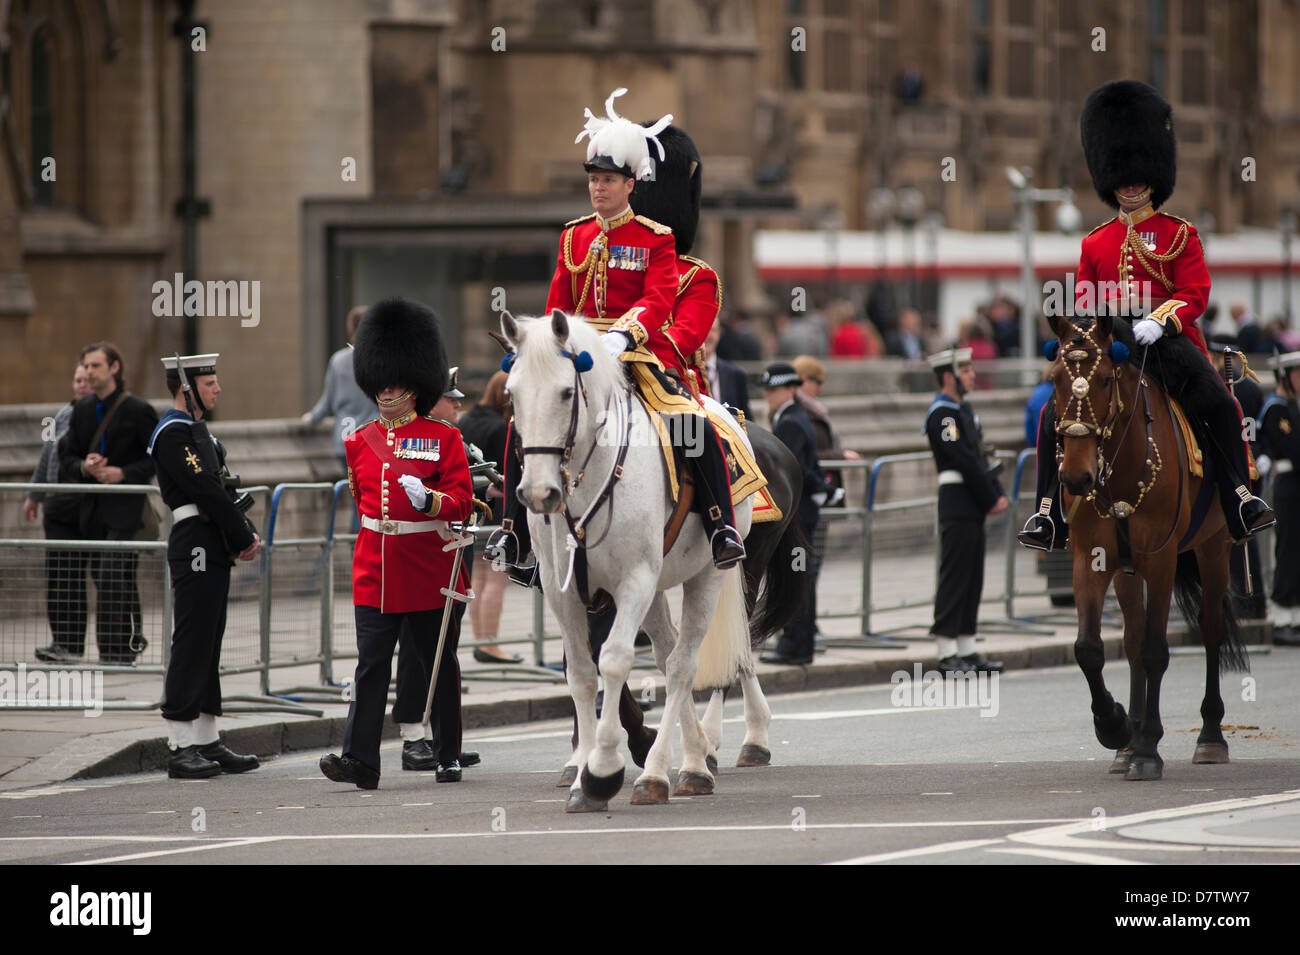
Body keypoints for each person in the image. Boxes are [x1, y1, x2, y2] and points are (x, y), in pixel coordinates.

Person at [486, 93, 745, 576]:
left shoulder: (654, 238)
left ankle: (720, 524)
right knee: (523, 422)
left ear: (630, 185)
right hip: (577, 356)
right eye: (593, 180)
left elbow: (659, 300)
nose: (598, 189)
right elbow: (556, 306)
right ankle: (512, 531)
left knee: (690, 419)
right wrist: (542, 347)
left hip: (633, 356)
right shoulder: (574, 236)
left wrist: (625, 337)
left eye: (607, 180)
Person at [1019, 80, 1274, 551]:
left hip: (1169, 344)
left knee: (1220, 404)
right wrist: (1077, 334)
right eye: (1122, 177)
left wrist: (1162, 320)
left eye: (1136, 177)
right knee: (1053, 411)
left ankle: (1240, 498)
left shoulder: (1180, 233)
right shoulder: (1094, 241)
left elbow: (1195, 292)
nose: (1130, 185)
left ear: (1152, 175)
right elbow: (1087, 302)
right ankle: (1047, 512)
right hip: (1113, 346)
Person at [319, 298, 474, 789]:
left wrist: (430, 501)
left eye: (396, 382)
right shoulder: (358, 440)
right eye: (380, 382)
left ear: (416, 385)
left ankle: (447, 752)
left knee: (437, 666)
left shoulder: (443, 438)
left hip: (426, 567)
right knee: (370, 668)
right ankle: (361, 759)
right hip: (375, 568)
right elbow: (365, 505)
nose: (387, 390)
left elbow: (463, 502)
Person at [148, 354, 262, 778]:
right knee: (193, 637)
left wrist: (242, 529)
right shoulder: (173, 434)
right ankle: (179, 743)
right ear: (186, 388)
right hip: (196, 538)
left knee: (210, 639)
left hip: (211, 537)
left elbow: (222, 489)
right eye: (210, 383)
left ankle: (206, 738)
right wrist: (242, 535)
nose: (217, 390)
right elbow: (204, 490)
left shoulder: (196, 432)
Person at [57, 342, 159, 664]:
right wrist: (85, 466)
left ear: (114, 368)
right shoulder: (82, 409)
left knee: (116, 574)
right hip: (92, 509)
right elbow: (66, 456)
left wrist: (122, 473)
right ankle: (118, 646)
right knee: (102, 577)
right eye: (86, 366)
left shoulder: (137, 409)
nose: (89, 372)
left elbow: (157, 457)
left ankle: (118, 650)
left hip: (125, 509)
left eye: (95, 366)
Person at [925, 348, 1008, 673]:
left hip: (973, 498)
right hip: (958, 500)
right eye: (966, 371)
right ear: (949, 376)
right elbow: (961, 459)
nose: (973, 375)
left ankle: (967, 647)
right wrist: (991, 497)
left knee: (973, 575)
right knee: (956, 575)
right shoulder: (942, 415)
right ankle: (947, 652)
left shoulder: (964, 411)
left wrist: (994, 493)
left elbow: (980, 456)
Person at [759, 362, 827, 666]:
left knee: (797, 575)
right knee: (801, 574)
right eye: (766, 390)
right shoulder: (794, 417)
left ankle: (796, 644)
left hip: (797, 513)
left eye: (773, 390)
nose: (767, 396)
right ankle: (799, 642)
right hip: (804, 509)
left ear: (790, 389)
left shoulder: (789, 422)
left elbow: (790, 468)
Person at [30, 364, 94, 663]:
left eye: (87, 379)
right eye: (77, 378)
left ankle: (85, 645)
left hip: (82, 504)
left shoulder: (93, 414)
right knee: (60, 576)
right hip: (56, 502)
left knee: (80, 575)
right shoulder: (63, 413)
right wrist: (35, 494)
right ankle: (63, 642)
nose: (81, 384)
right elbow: (47, 454)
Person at [457, 370, 520, 664]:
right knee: (496, 578)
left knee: (479, 580)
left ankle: (482, 640)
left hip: (472, 508)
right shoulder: (502, 427)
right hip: (496, 511)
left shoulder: (466, 419)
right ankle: (491, 643)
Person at [303, 305, 381, 473]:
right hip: (372, 439)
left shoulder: (337, 360)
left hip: (344, 439)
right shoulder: (380, 361)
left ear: (351, 328)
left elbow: (327, 402)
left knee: (353, 490)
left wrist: (311, 417)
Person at [1258, 351, 1300, 646]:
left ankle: (1294, 615)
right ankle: (1283, 615)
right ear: (1286, 376)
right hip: (1287, 483)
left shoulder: (1292, 407)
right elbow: (1283, 446)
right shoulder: (1275, 409)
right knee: (1287, 548)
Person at [700, 319, 751, 420]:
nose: (707, 335)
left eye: (712, 330)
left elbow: (746, 419)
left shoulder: (736, 374)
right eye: (703, 329)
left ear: (719, 334)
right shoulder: (683, 374)